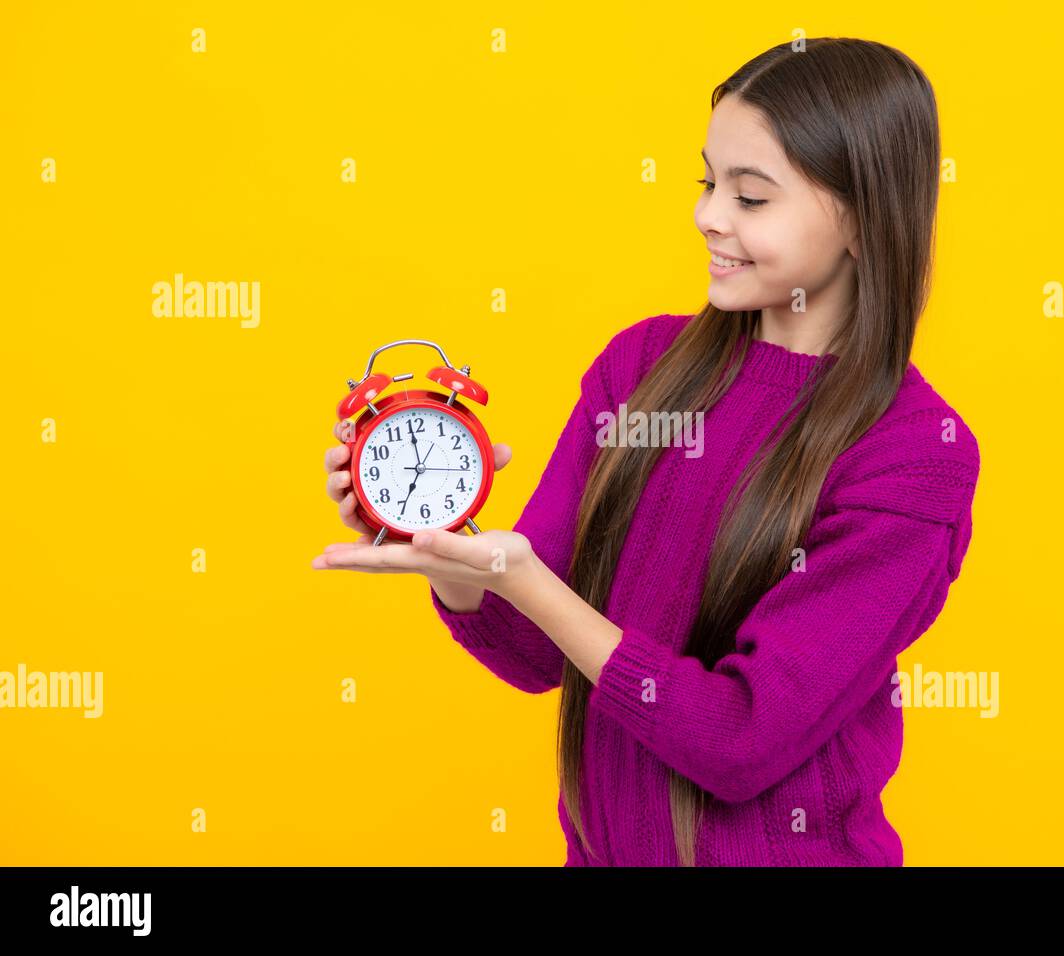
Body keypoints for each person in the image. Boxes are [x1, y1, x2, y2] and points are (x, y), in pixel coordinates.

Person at [313, 37, 980, 867]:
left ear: (859, 215)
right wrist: (452, 558)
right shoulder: (640, 370)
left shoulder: (914, 457)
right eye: (707, 182)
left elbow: (741, 739)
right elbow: (534, 655)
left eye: (752, 196)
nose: (708, 216)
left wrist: (522, 579)